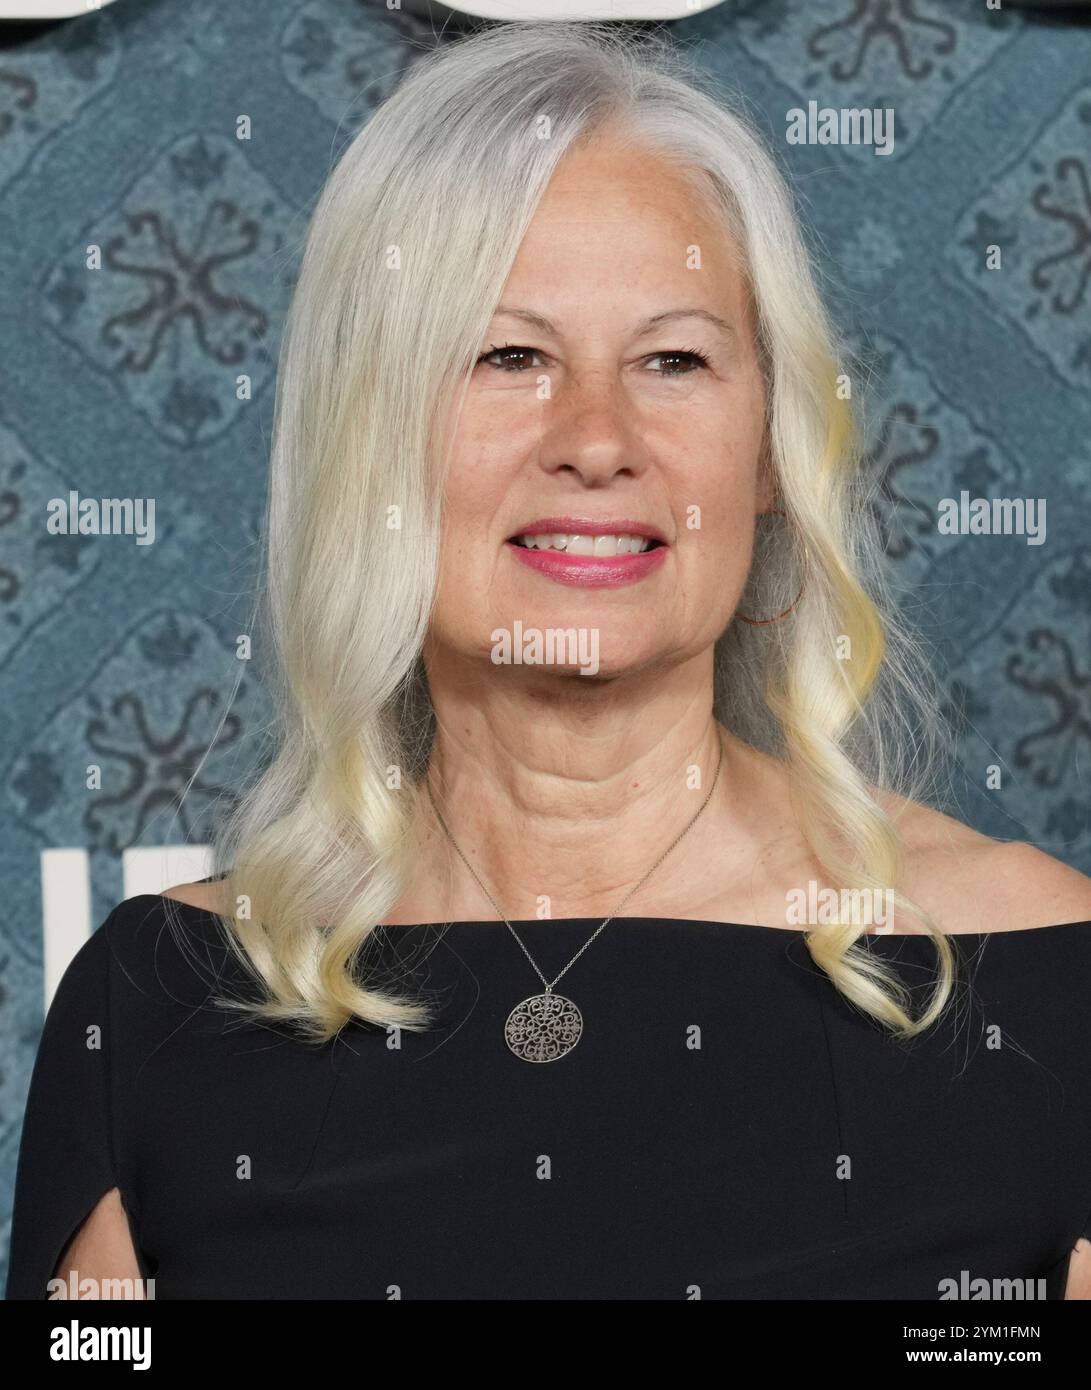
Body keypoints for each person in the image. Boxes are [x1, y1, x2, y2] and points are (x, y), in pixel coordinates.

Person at [7, 20, 1090, 1301]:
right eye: (507, 355)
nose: (596, 437)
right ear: (370, 440)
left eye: (673, 358)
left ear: (765, 454)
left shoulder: (1047, 969)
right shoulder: (155, 1005)